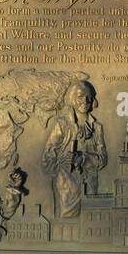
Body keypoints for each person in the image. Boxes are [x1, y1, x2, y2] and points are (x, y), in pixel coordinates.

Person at [42, 80, 107, 219]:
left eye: (88, 97)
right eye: (80, 96)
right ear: (72, 98)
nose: (85, 100)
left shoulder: (97, 127)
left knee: (89, 226)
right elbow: (47, 157)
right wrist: (63, 160)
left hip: (90, 185)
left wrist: (84, 158)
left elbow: (103, 159)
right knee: (66, 226)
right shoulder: (62, 125)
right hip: (67, 186)